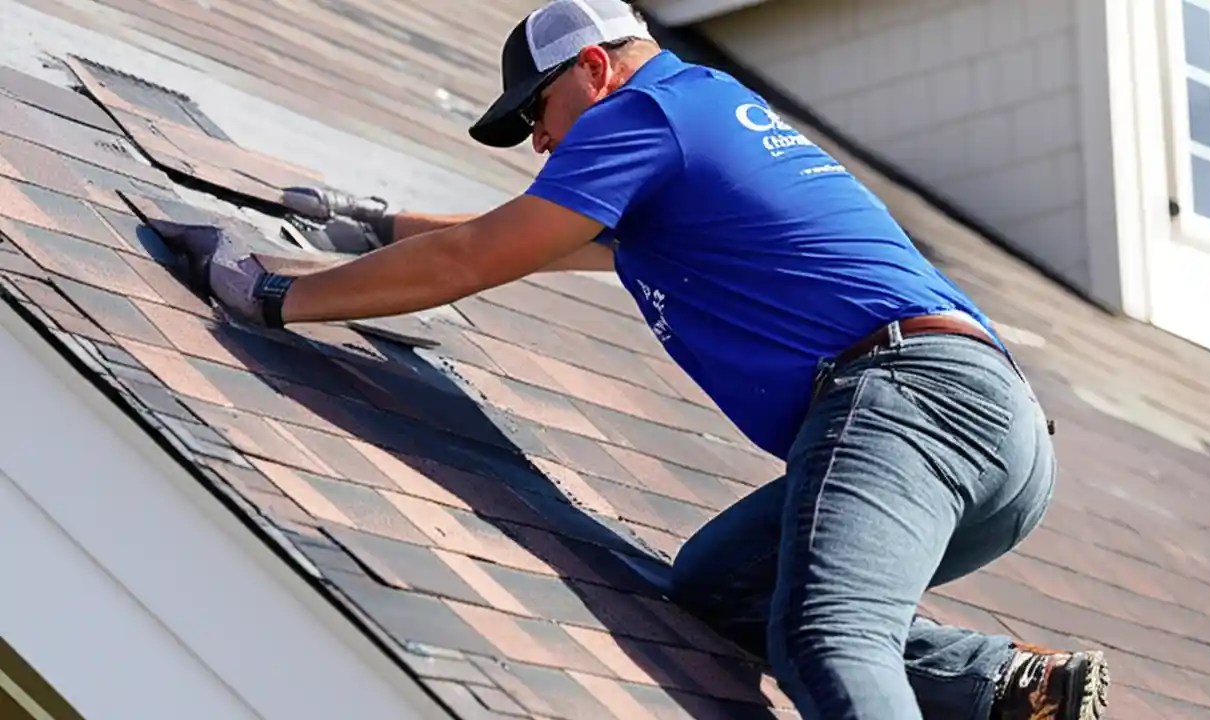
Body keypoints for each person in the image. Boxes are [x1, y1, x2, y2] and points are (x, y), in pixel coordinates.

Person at [156, 1, 1110, 717]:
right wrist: (367, 224)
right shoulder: (700, 116)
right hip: (999, 442)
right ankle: (1005, 688)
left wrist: (278, 297)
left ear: (596, 68)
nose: (538, 137)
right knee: (719, 590)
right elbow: (549, 239)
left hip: (911, 401)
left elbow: (476, 261)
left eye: (538, 108)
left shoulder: (641, 117)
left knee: (828, 636)